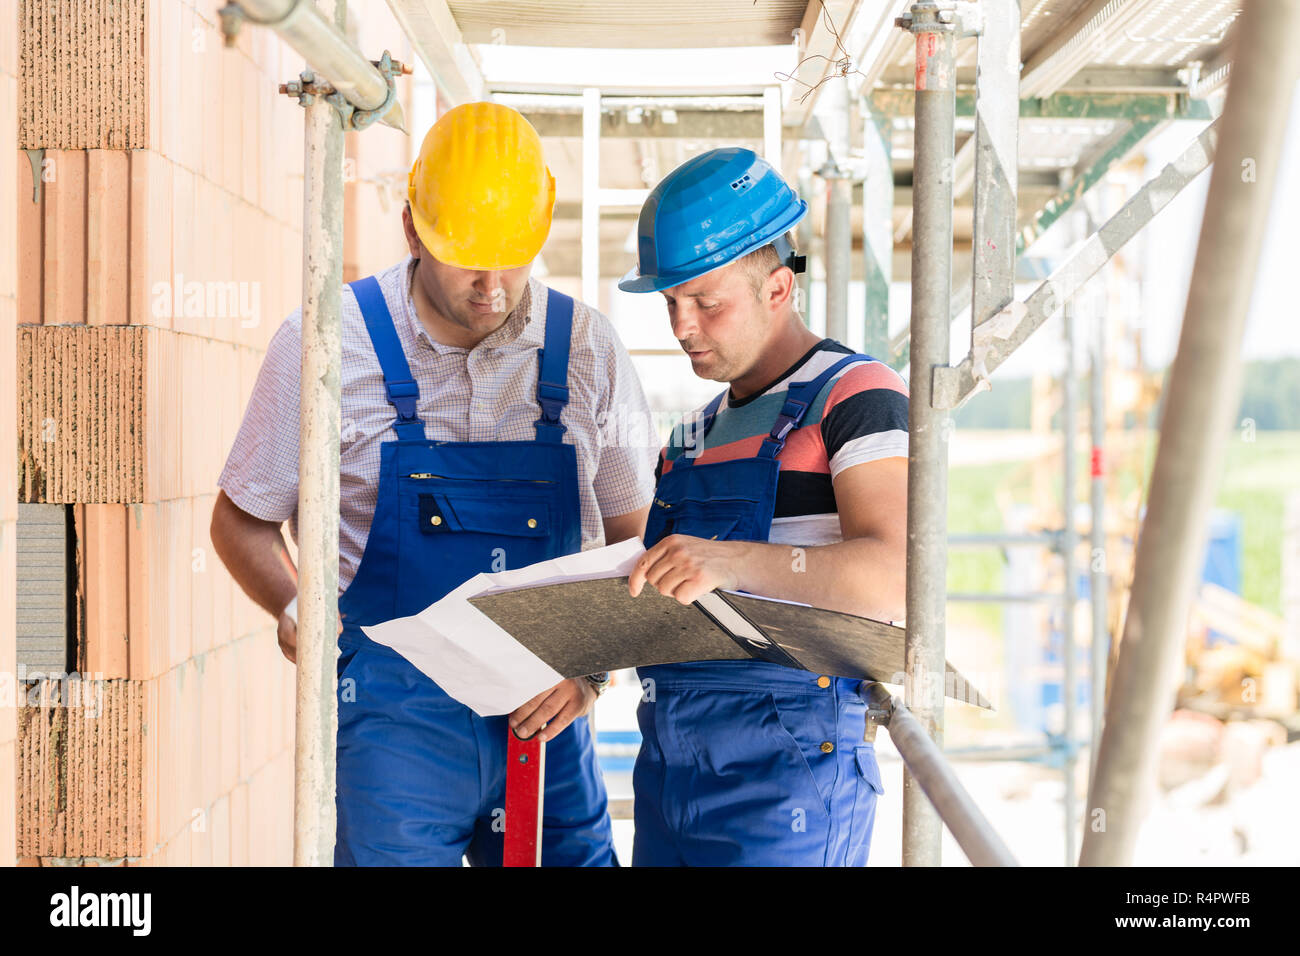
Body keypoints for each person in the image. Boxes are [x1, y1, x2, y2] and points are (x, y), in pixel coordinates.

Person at [211, 102, 656, 866]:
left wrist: (589, 671)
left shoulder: (588, 349)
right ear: (414, 228)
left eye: (513, 258)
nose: (492, 286)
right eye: (467, 260)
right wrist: (294, 607)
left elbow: (636, 542)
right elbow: (240, 520)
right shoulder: (324, 342)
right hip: (393, 731)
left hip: (545, 720)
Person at [619, 147, 909, 866]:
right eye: (670, 303)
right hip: (670, 764)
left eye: (706, 303)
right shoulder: (689, 437)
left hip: (789, 779)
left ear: (779, 288)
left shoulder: (857, 395)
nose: (682, 327)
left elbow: (897, 577)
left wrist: (727, 561)